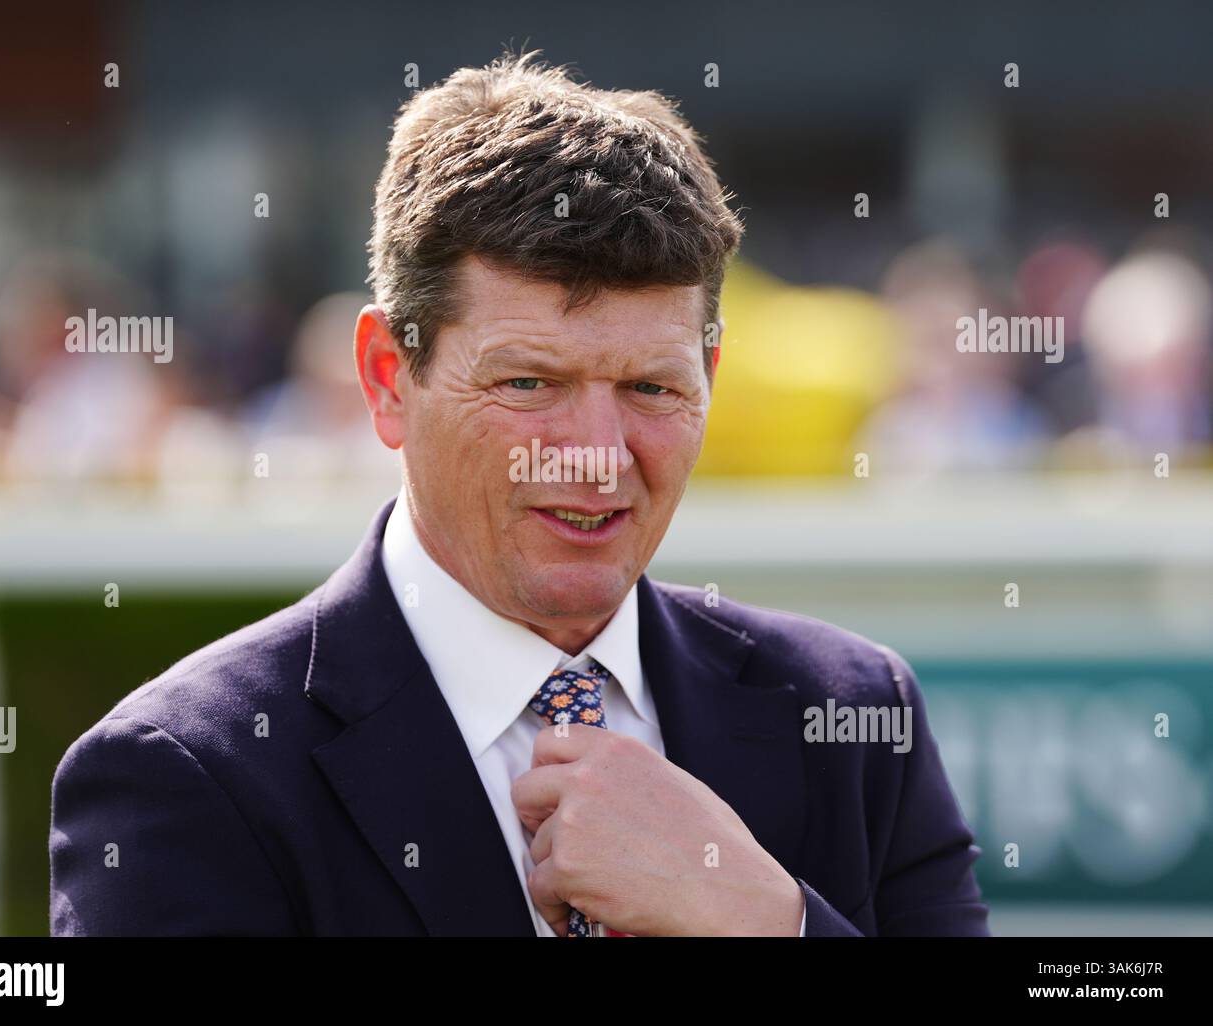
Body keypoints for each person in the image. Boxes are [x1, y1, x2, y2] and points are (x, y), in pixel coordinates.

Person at [49, 51, 988, 937]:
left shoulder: (857, 717)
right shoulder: (187, 774)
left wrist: (759, 917)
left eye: (650, 389)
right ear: (387, 379)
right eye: (528, 384)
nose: (593, 456)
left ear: (710, 377)